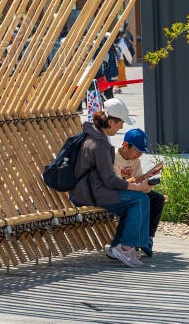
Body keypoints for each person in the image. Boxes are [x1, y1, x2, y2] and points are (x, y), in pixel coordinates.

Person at [70, 98, 152, 268]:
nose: (122, 127)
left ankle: (122, 246)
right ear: (110, 121)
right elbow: (109, 180)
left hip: (91, 189)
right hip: (91, 192)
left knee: (136, 200)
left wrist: (135, 187)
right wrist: (137, 187)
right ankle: (126, 248)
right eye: (120, 123)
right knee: (139, 199)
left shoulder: (95, 136)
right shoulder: (99, 144)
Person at [113, 128, 165, 257]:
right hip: (118, 192)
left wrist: (147, 176)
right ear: (125, 145)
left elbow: (136, 179)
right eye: (137, 151)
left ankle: (148, 238)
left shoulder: (135, 160)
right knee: (139, 200)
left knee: (158, 199)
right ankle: (131, 241)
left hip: (131, 189)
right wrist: (138, 184)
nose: (139, 155)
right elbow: (117, 183)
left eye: (142, 152)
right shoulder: (114, 157)